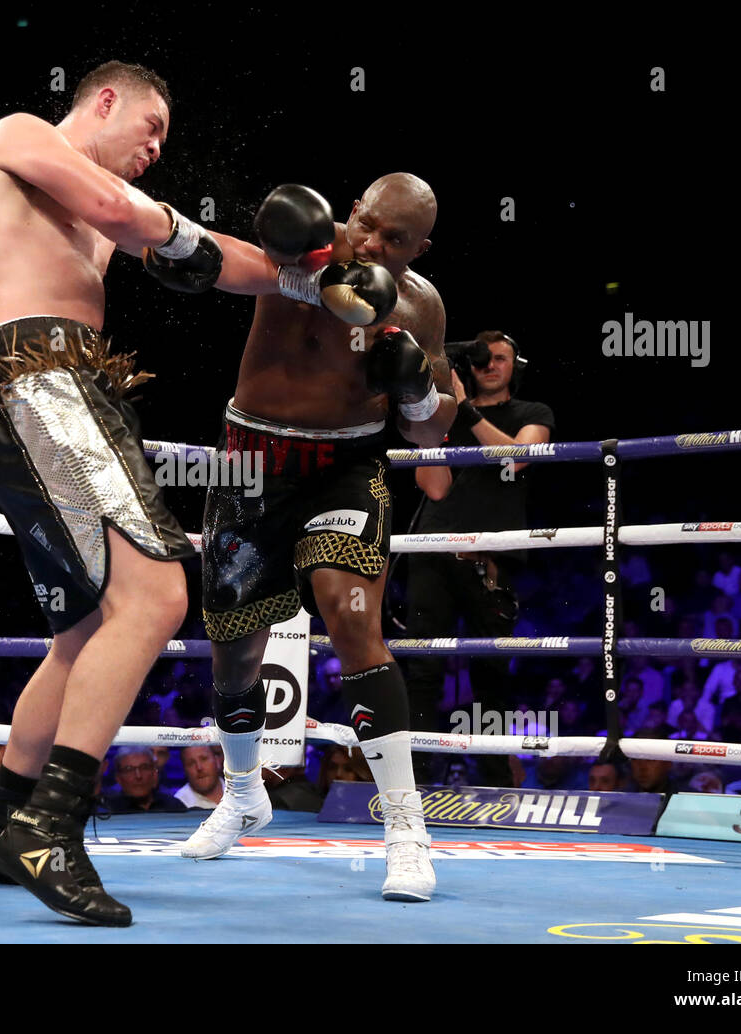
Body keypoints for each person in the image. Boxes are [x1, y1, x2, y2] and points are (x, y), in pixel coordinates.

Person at [0, 61, 293, 927]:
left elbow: (216, 259)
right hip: (38, 380)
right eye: (151, 128)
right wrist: (174, 234)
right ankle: (49, 829)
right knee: (159, 591)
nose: (156, 149)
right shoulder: (20, 135)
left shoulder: (101, 202)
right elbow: (128, 216)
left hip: (47, 395)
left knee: (85, 630)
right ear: (104, 101)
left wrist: (303, 274)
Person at [182, 175, 456, 902]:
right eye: (365, 222)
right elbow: (223, 264)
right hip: (250, 458)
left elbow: (432, 429)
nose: (368, 242)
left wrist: (417, 388)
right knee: (234, 647)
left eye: (393, 239)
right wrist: (179, 249)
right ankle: (243, 793)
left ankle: (405, 830)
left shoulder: (419, 307)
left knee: (352, 612)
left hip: (344, 462)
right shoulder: (300, 246)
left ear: (419, 247)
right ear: (352, 210)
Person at [400, 329, 555, 789]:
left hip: (492, 557)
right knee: (424, 666)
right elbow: (433, 486)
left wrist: (465, 410)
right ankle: (416, 780)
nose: (490, 365)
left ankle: (493, 780)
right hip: (433, 548)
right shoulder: (444, 414)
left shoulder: (532, 413)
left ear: (516, 366)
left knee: (489, 668)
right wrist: (435, 413)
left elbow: (516, 460)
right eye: (482, 358)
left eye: (500, 358)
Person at [103, 748, 186, 813]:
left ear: (154, 773)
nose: (138, 776)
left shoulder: (174, 807)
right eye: (129, 769)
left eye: (144, 767)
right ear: (118, 778)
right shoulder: (108, 812)